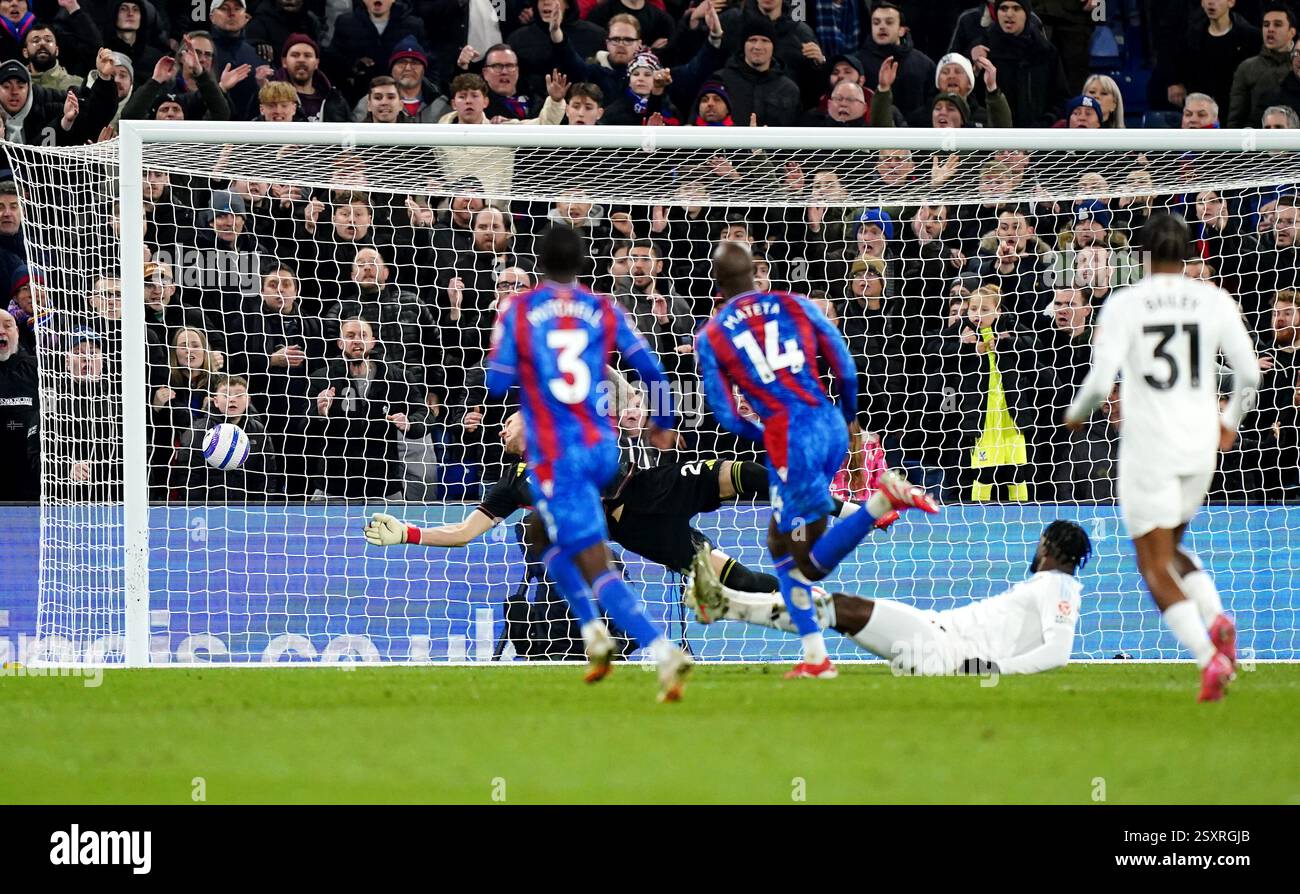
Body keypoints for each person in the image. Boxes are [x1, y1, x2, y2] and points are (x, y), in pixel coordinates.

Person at [370, 225, 693, 700]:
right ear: (582, 262)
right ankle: (597, 637)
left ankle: (662, 652)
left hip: (560, 451)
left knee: (592, 563)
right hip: (603, 449)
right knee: (543, 539)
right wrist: (662, 423)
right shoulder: (604, 307)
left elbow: (497, 383)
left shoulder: (523, 310)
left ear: (538, 263)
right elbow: (651, 368)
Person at [695, 241, 938, 679]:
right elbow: (843, 365)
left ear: (716, 287)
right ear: (757, 274)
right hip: (828, 422)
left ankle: (878, 504)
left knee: (806, 563)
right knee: (777, 542)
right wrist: (846, 416)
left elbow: (725, 414)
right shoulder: (795, 303)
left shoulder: (712, 334)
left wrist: (766, 433)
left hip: (791, 441)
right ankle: (814, 657)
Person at [1064, 212, 1260, 702]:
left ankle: (1207, 655)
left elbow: (1100, 377)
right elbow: (1250, 374)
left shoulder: (1125, 304)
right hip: (1200, 445)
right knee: (1171, 548)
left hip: (1150, 445)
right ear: (1189, 250)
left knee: (1151, 561)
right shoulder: (1214, 300)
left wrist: (1077, 414)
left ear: (1140, 256)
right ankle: (1217, 620)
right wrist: (1229, 421)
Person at [688, 519, 1092, 676]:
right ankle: (726, 604)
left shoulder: (1058, 587)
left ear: (1047, 547)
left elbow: (1058, 652)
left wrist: (995, 668)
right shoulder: (1049, 587)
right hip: (936, 631)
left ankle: (726, 604)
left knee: (836, 608)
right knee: (833, 605)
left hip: (943, 650)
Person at [1228, 3, 1296, 128]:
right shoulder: (1247, 68)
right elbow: (1236, 118)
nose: (1270, 29)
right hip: (1258, 142)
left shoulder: (1297, 67)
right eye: (1266, 25)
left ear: (1292, 32)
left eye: (1277, 24)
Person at [0, 306, 37, 500]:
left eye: (8, 326)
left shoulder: (38, 369)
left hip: (31, 480)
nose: (1, 332)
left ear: (17, 332)